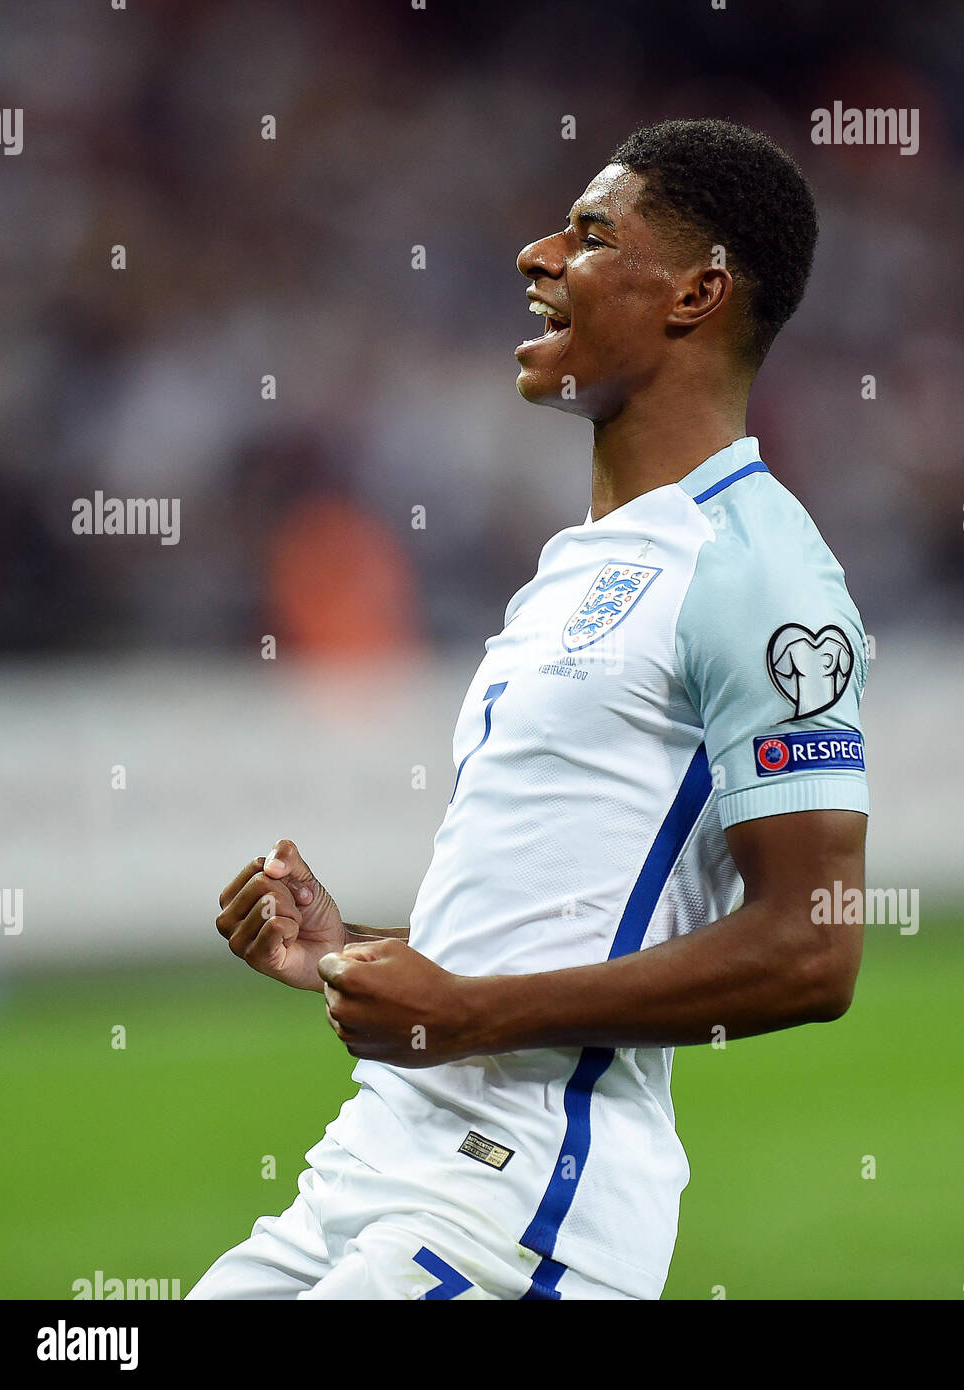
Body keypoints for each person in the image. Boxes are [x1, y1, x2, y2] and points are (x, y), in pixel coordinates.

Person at [188, 117, 870, 1301]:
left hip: (521, 1202)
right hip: (367, 1163)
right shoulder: (575, 565)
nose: (535, 254)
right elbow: (566, 910)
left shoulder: (758, 569)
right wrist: (355, 955)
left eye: (591, 236)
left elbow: (810, 948)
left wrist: (462, 1013)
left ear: (697, 292)